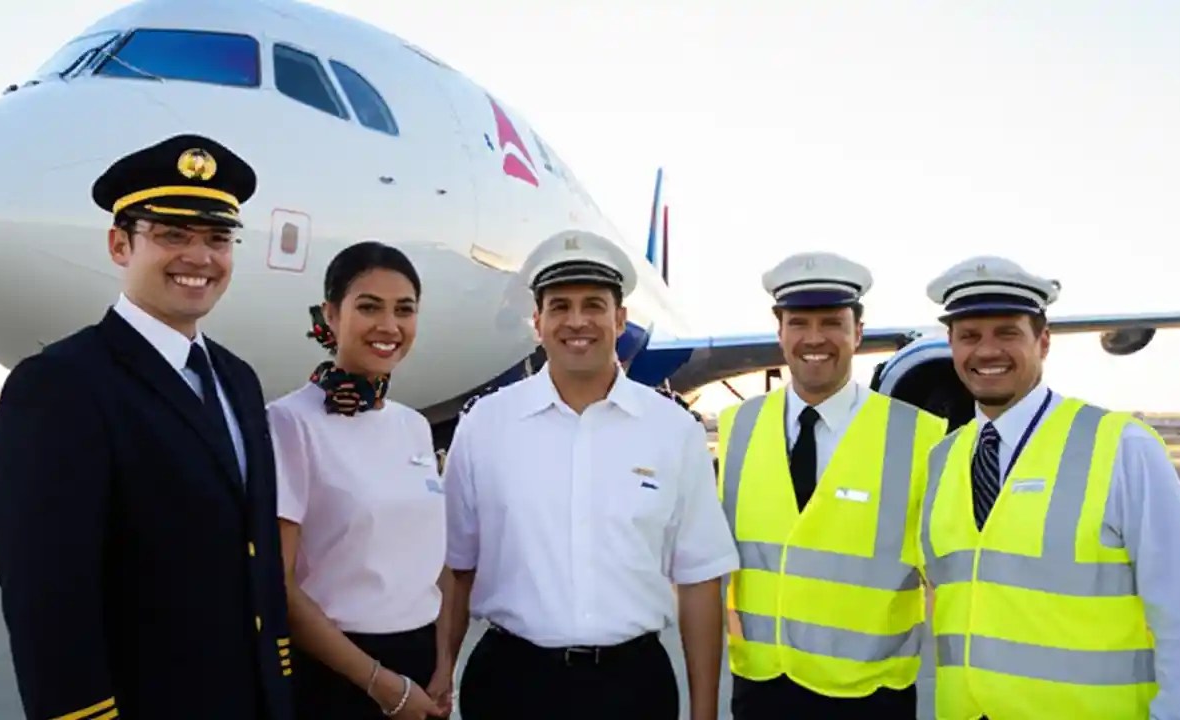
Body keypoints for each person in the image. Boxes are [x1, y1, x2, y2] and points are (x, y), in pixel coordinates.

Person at [0, 134, 294, 719]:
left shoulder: (238, 380)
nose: (200, 258)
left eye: (217, 238)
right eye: (172, 235)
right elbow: (47, 597)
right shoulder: (62, 385)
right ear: (119, 245)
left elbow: (256, 563)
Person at [440, 230, 739, 720]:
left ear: (620, 319)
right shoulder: (485, 426)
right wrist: (441, 674)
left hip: (632, 685)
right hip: (510, 683)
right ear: (537, 322)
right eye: (559, 306)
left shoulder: (672, 431)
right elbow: (457, 567)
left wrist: (703, 710)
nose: (577, 321)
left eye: (594, 305)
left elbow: (700, 579)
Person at [920, 256, 1180, 720]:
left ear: (1044, 341)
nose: (987, 351)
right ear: (951, 345)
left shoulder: (1120, 447)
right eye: (970, 335)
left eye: (1008, 333)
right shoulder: (943, 459)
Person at [716, 251, 946, 719]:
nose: (815, 338)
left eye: (832, 323)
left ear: (858, 333)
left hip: (871, 694)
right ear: (779, 331)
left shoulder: (920, 436)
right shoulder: (736, 427)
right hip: (761, 688)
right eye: (799, 322)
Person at [268, 241, 452, 719]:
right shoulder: (289, 424)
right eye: (369, 307)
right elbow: (278, 585)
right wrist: (381, 684)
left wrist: (444, 661)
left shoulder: (412, 425)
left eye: (404, 310)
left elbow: (428, 563)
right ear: (331, 314)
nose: (389, 326)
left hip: (420, 668)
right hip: (336, 672)